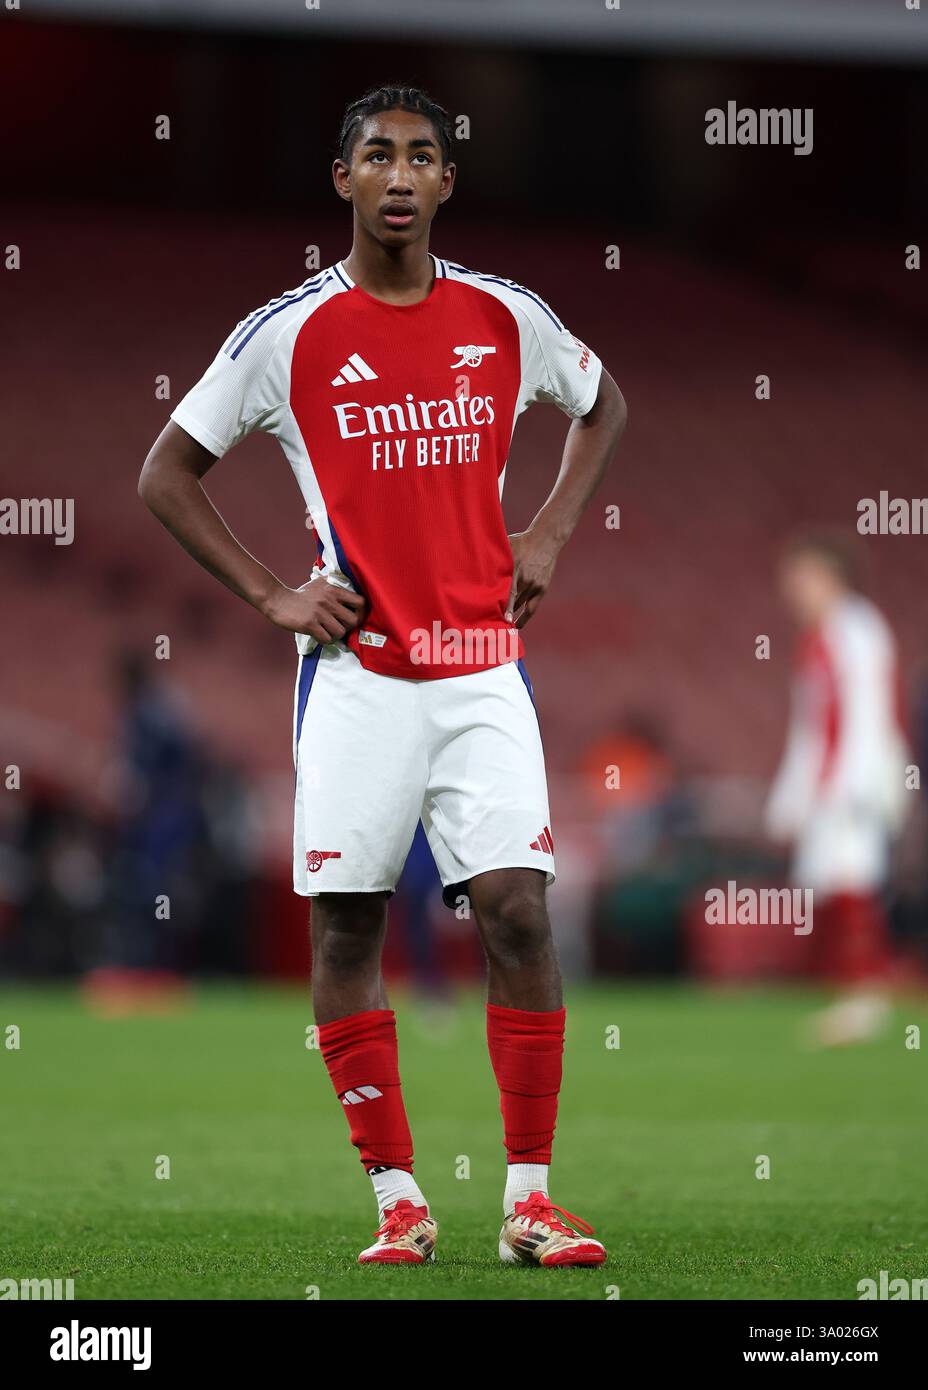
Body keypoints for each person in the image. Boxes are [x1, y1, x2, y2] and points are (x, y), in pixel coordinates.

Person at [139, 85, 627, 1266]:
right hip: (354, 677)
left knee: (517, 907)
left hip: (481, 670)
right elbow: (165, 472)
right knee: (348, 935)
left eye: (421, 156)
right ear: (343, 179)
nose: (400, 174)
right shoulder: (287, 332)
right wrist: (271, 594)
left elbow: (603, 402)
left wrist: (551, 530)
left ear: (446, 183)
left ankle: (528, 1198)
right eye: (377, 156)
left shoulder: (504, 315)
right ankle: (397, 1196)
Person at [764, 532, 910, 1046]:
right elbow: (812, 726)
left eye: (801, 577)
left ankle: (866, 999)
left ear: (830, 577)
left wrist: (852, 783)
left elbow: (867, 716)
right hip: (833, 784)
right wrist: (794, 791)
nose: (792, 590)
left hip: (858, 783)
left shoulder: (858, 631)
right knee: (831, 882)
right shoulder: (819, 638)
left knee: (853, 881)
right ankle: (853, 992)